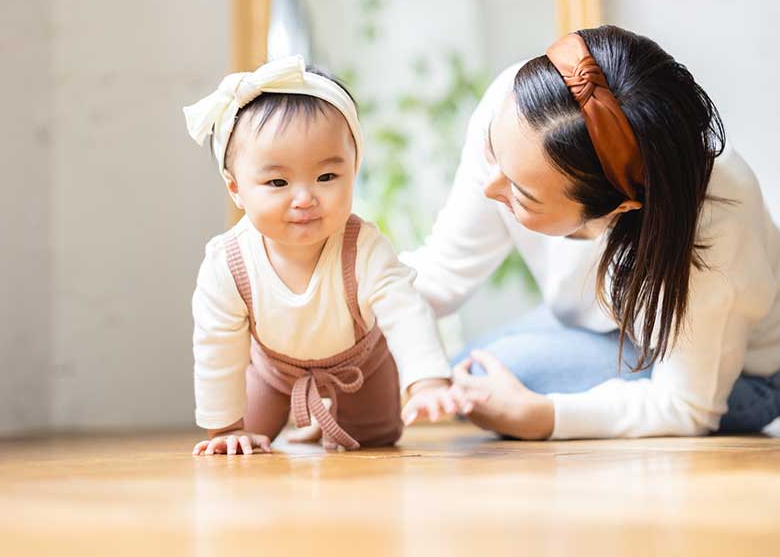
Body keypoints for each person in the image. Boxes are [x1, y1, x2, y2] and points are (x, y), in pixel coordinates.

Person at [402, 25, 780, 440]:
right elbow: (442, 273)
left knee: (480, 380)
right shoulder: (516, 109)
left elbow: (686, 405)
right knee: (451, 369)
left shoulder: (715, 222)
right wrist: (353, 287)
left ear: (618, 208)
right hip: (604, 325)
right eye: (492, 149)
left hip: (744, 374)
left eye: (523, 195)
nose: (490, 189)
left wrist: (541, 416)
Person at [184, 56, 472, 456]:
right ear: (235, 188)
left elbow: (405, 309)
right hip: (272, 370)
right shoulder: (228, 263)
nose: (304, 198)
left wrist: (427, 382)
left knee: (375, 437)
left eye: (327, 177)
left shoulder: (363, 247)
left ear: (354, 169)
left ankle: (328, 419)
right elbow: (216, 347)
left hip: (361, 367)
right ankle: (299, 420)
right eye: (277, 181)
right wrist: (224, 427)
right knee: (245, 437)